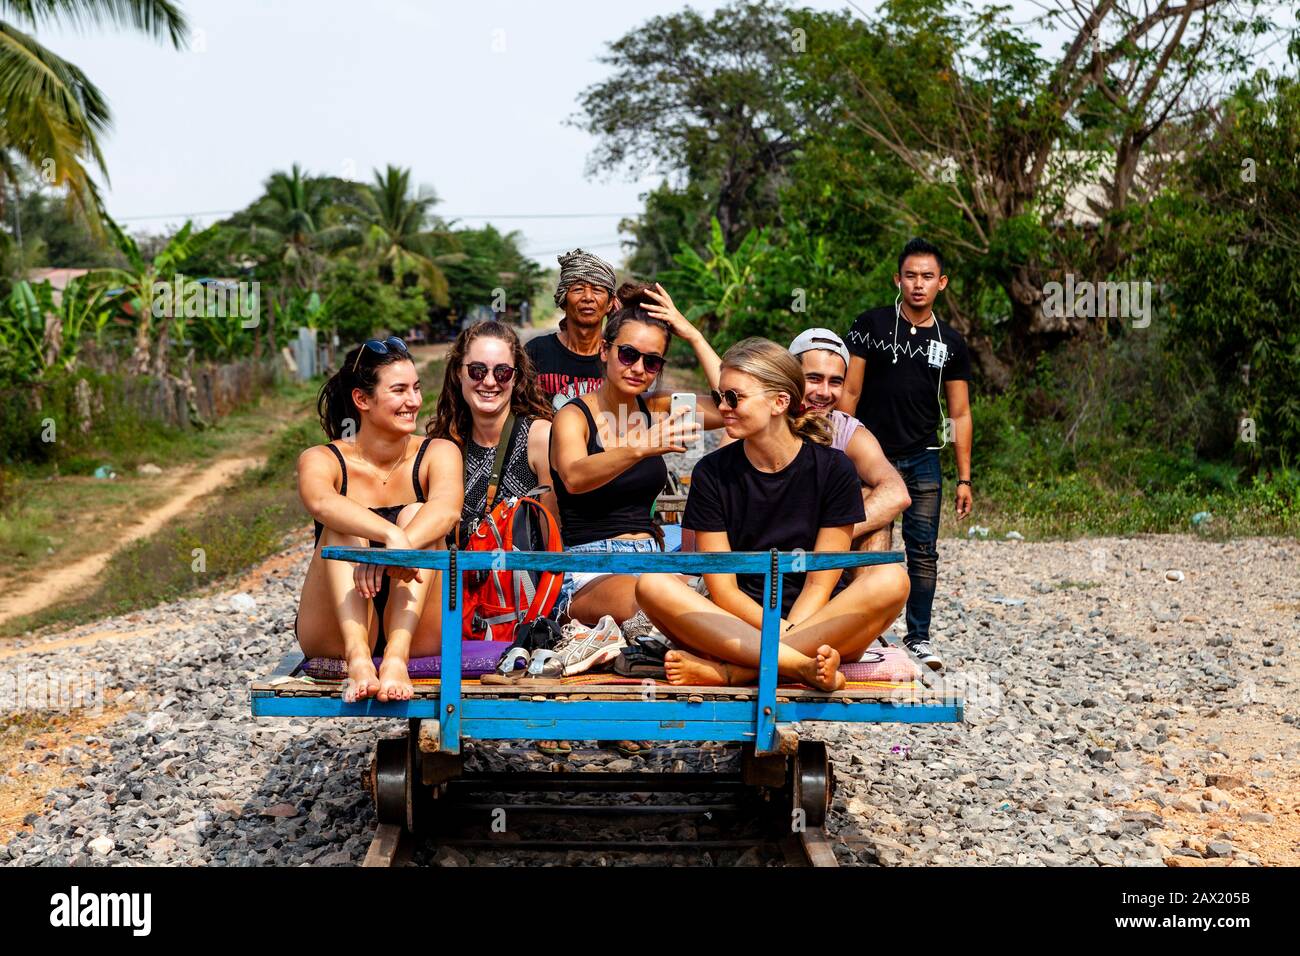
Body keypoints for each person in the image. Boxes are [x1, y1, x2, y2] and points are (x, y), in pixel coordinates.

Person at [634, 338, 911, 690]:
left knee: (892, 579)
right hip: (736, 624)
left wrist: (790, 632)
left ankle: (736, 674)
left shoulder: (834, 469)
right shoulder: (712, 473)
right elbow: (725, 592)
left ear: (780, 402)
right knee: (651, 584)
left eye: (734, 398)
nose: (723, 407)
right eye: (721, 397)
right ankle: (796, 666)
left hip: (822, 622)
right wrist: (777, 629)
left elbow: (819, 581)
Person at [296, 337, 463, 702]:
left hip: (418, 624)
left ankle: (395, 659)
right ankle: (358, 659)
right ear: (362, 400)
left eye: (416, 389)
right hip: (336, 628)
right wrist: (388, 537)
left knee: (420, 513)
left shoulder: (439, 451)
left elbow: (448, 510)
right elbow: (321, 503)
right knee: (342, 523)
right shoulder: (322, 458)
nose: (414, 401)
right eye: (400, 390)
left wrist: (391, 554)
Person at [549, 281, 722, 629]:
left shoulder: (654, 407)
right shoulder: (574, 415)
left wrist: (693, 336)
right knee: (657, 604)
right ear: (604, 351)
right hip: (590, 569)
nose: (638, 368)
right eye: (628, 354)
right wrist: (641, 445)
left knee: (717, 595)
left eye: (652, 361)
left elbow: (733, 404)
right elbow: (575, 476)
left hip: (652, 561)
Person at [837, 237, 973, 672]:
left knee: (923, 550)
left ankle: (918, 637)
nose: (918, 284)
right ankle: (856, 627)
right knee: (856, 537)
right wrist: (837, 455)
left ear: (942, 283)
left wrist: (964, 477)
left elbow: (960, 412)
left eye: (927, 277)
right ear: (898, 279)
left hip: (923, 456)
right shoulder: (870, 326)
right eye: (911, 275)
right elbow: (850, 392)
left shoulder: (950, 343)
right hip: (869, 457)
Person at [426, 320, 557, 544]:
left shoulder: (539, 437)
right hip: (453, 575)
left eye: (502, 372)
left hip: (521, 577)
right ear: (459, 372)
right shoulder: (443, 442)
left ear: (515, 377)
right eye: (477, 371)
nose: (489, 381)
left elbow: (553, 539)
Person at [789, 328, 911, 558]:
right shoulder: (763, 417)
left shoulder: (846, 430)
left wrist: (824, 538)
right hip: (763, 544)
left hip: (818, 551)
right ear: (791, 376)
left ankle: (867, 589)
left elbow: (896, 493)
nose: (824, 392)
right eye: (814, 379)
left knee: (868, 501)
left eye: (835, 382)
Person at [525, 248, 618, 409]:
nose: (588, 297)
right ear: (563, 301)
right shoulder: (536, 351)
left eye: (597, 290)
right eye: (578, 289)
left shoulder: (620, 357)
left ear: (610, 303)